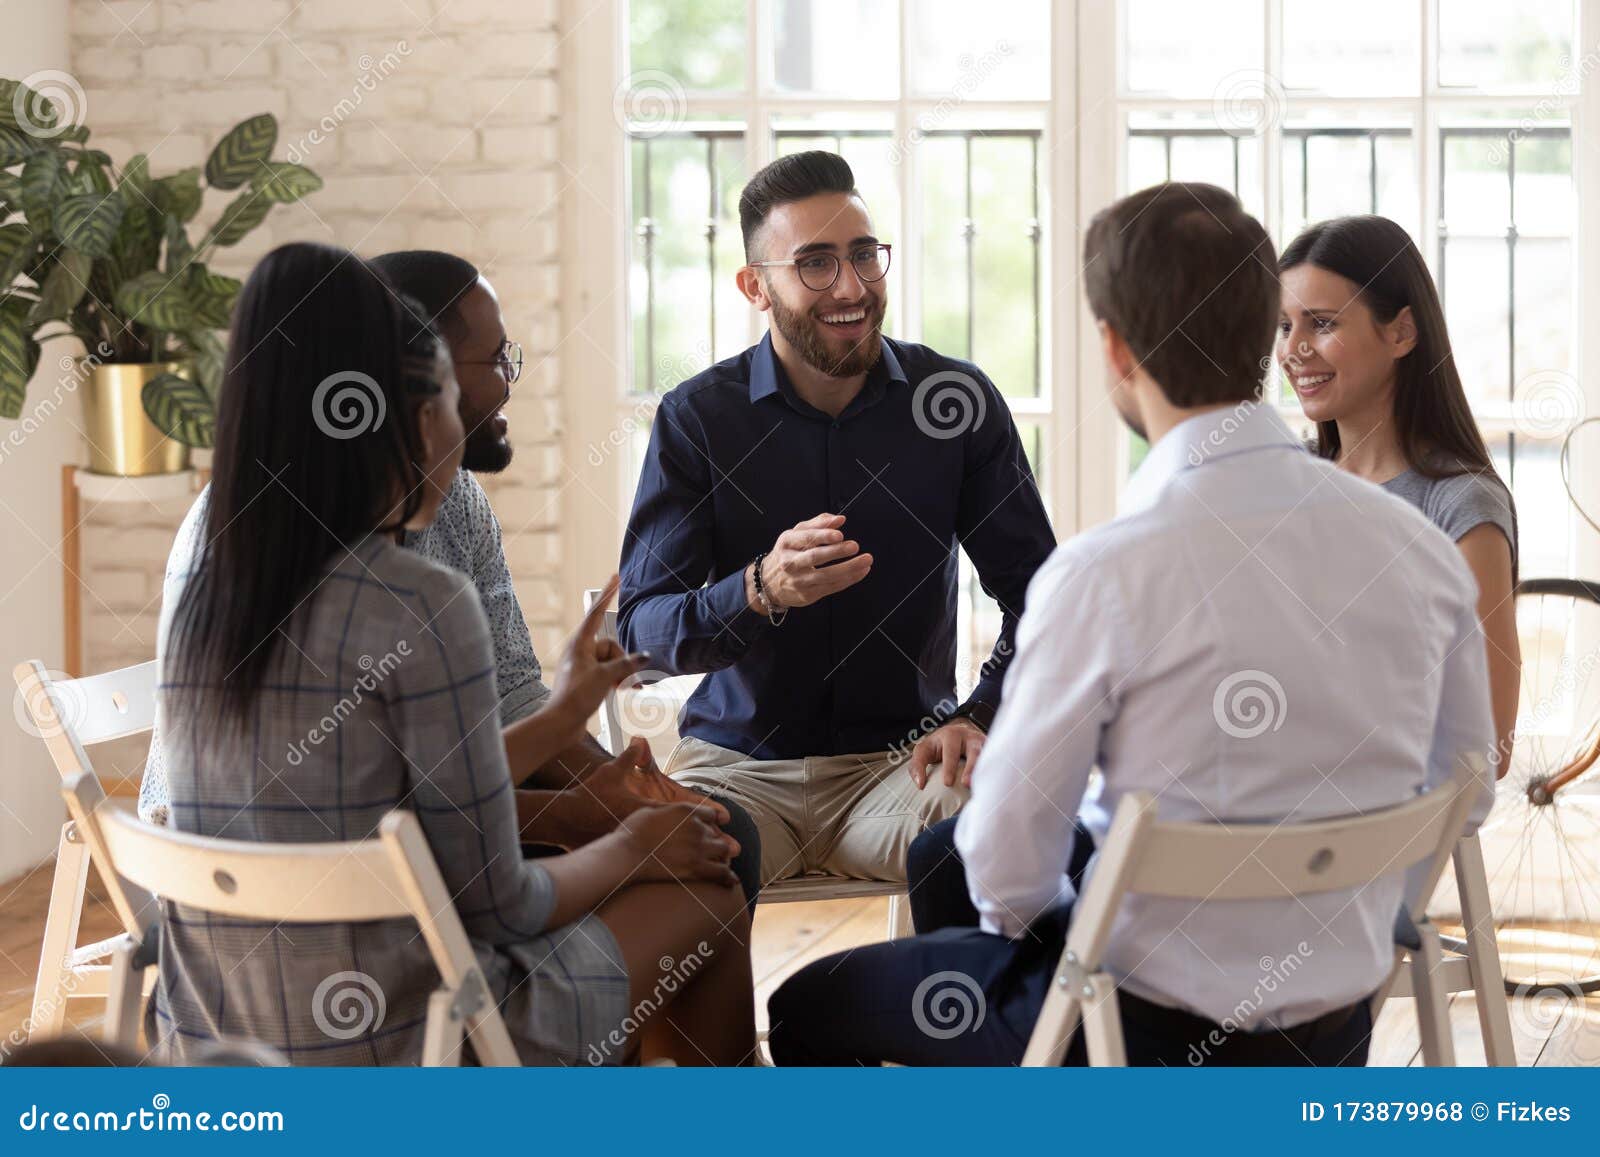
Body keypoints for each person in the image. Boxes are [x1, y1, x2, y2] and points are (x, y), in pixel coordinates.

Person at [767, 182, 1497, 1067]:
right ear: (1263, 332)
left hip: (1132, 1033)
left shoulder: (1103, 574)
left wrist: (1064, 917)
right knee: (946, 871)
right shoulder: (1417, 551)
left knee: (808, 1000)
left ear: (1116, 349)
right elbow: (1468, 780)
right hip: (1335, 1023)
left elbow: (1007, 874)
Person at [151, 242, 754, 1066]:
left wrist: (566, 716)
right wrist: (634, 845)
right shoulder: (417, 600)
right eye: (441, 394)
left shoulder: (206, 578)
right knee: (708, 899)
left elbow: (397, 785)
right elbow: (499, 904)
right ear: (395, 420)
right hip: (411, 1042)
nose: (452, 428)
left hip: (214, 1034)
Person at [616, 151, 1056, 889]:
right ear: (756, 286)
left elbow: (1044, 597)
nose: (851, 287)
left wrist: (980, 714)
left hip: (905, 768)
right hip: (739, 770)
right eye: (815, 263)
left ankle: (951, 1006)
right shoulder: (698, 419)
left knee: (995, 820)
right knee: (679, 856)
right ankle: (731, 1014)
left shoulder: (954, 403)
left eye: (864, 256)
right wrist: (756, 590)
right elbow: (640, 637)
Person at [1278, 216, 1520, 776]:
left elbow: (1492, 745)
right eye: (1283, 325)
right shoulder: (1284, 481)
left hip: (1375, 829)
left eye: (1321, 323)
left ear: (1402, 332)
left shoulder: (1461, 507)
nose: (1293, 349)